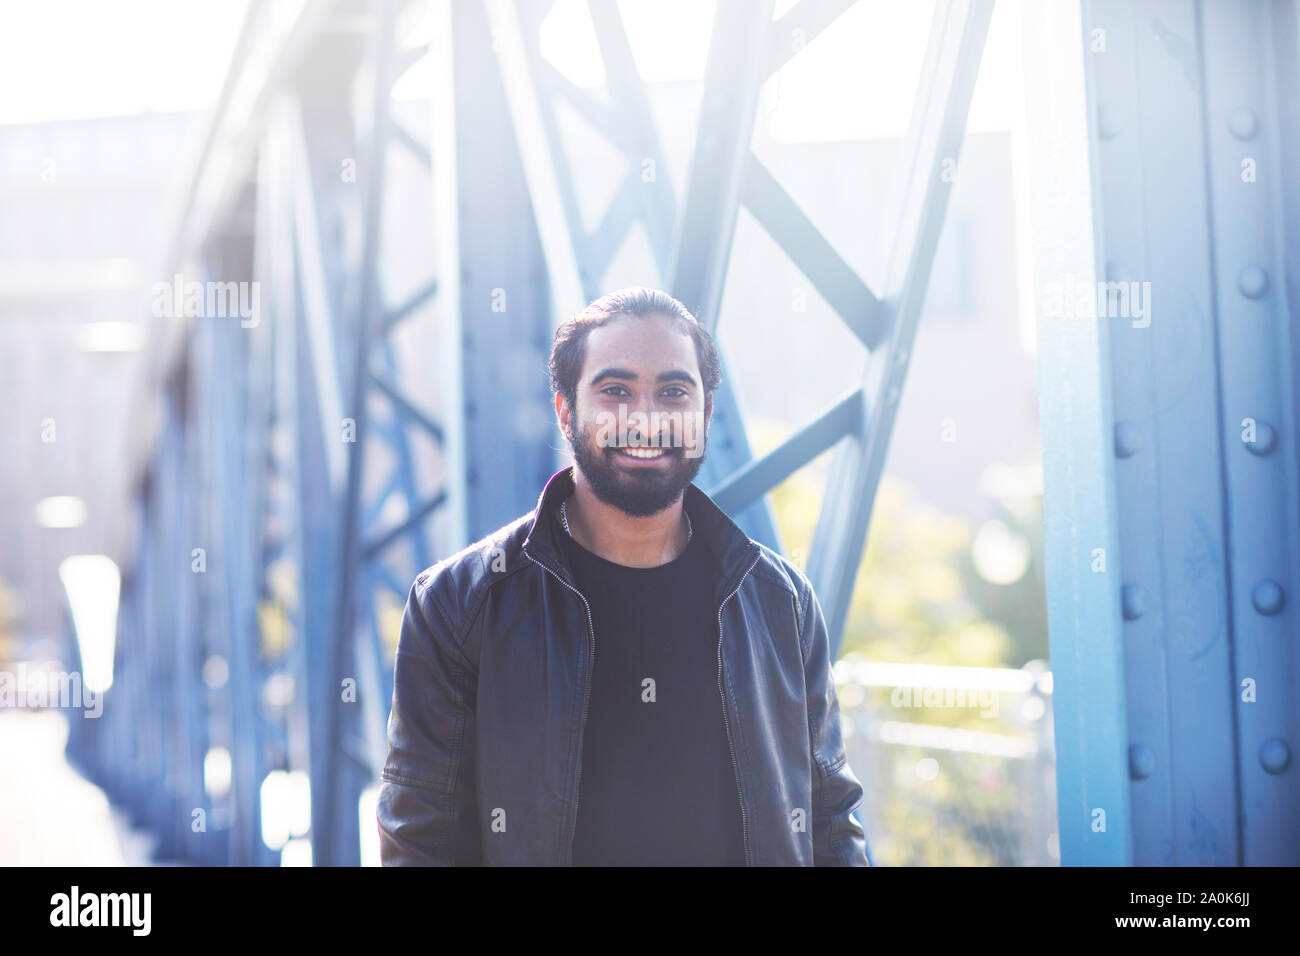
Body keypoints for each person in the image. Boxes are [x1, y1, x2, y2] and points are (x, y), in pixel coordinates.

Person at [378, 287, 868, 865]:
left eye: (672, 392)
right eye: (615, 391)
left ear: (705, 415)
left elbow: (831, 821)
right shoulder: (459, 603)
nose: (645, 419)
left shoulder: (780, 601)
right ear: (566, 409)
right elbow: (421, 843)